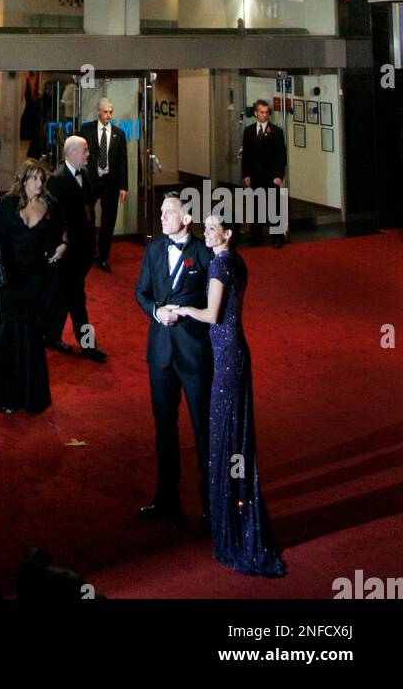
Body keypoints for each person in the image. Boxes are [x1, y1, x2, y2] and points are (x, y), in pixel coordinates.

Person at [170, 217, 286, 577]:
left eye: (212, 229)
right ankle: (238, 518)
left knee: (226, 437)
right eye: (204, 228)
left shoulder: (220, 263)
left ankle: (235, 531)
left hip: (227, 358)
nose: (206, 233)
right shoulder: (235, 260)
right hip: (233, 352)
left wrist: (182, 309)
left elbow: (211, 313)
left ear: (228, 234)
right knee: (233, 435)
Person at [134, 192, 214, 524]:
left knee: (203, 430)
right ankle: (166, 498)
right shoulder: (153, 249)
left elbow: (217, 300)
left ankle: (212, 504)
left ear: (187, 219)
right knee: (164, 429)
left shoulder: (204, 253)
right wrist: (156, 312)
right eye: (162, 212)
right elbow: (141, 292)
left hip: (194, 354)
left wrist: (187, 313)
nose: (163, 217)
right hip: (161, 355)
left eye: (170, 212)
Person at [0, 160, 66, 415]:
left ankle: (30, 396)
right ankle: (2, 396)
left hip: (36, 279)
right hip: (10, 279)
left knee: (30, 332)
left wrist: (62, 247)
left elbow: (63, 234)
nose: (39, 184)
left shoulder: (51, 206)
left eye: (42, 179)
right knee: (7, 331)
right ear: (24, 179)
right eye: (35, 179)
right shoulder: (7, 203)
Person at [44, 136, 107, 362]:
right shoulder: (57, 180)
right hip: (67, 252)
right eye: (85, 150)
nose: (89, 154)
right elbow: (53, 219)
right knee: (77, 299)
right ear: (71, 153)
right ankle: (89, 345)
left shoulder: (85, 174)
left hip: (83, 251)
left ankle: (50, 335)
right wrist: (62, 244)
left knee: (65, 296)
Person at [81, 97, 128, 273]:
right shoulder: (86, 130)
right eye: (106, 112)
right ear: (98, 111)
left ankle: (103, 257)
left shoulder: (119, 134)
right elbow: (79, 155)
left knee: (109, 220)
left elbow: (123, 161)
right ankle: (89, 250)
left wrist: (124, 186)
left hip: (111, 182)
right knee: (87, 217)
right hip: (91, 181)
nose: (109, 115)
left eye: (111, 112)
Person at [239, 99, 287, 247]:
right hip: (255, 175)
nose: (264, 115)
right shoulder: (248, 131)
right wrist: (246, 175)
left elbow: (281, 156)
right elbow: (246, 156)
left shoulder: (276, 132)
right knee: (255, 206)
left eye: (266, 112)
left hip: (271, 176)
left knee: (274, 207)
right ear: (255, 113)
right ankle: (255, 236)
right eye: (261, 112)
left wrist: (279, 176)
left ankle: (277, 237)